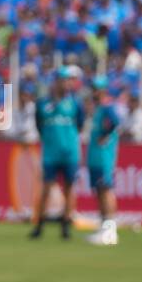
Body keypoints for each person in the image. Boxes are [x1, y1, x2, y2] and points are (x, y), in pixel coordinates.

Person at [30, 66, 86, 240]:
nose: (65, 84)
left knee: (69, 188)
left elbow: (80, 125)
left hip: (69, 153)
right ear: (55, 82)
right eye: (62, 80)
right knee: (46, 188)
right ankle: (39, 224)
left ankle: (65, 225)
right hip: (50, 154)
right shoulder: (42, 104)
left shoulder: (75, 103)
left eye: (68, 80)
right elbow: (39, 125)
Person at [86, 77, 122, 246]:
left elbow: (115, 122)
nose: (94, 92)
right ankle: (103, 229)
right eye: (93, 88)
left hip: (103, 157)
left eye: (97, 89)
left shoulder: (107, 106)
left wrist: (105, 135)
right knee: (100, 191)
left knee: (106, 190)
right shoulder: (98, 108)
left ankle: (110, 231)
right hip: (95, 156)